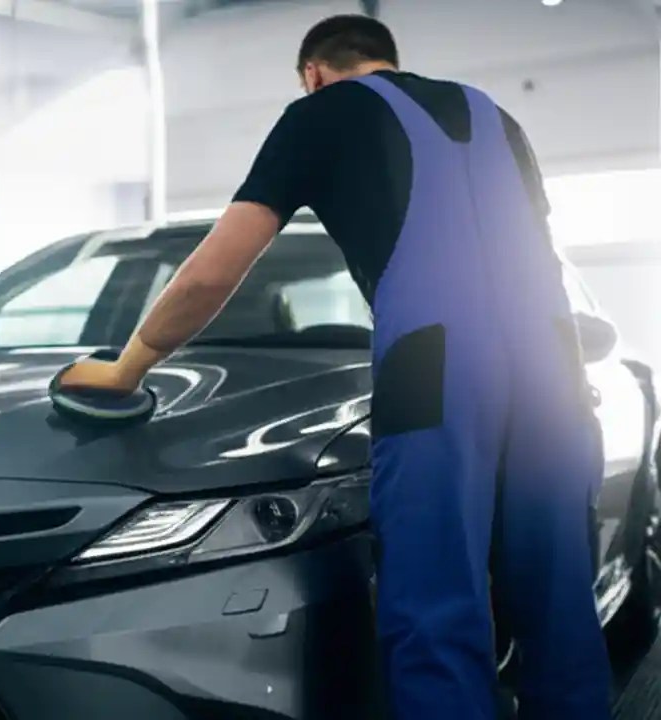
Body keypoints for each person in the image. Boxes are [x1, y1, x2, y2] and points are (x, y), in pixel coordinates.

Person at [58, 13, 611, 720]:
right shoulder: (494, 115)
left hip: (435, 369)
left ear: (313, 74)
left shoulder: (319, 115)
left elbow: (211, 273)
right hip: (556, 370)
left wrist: (127, 368)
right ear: (388, 58)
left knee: (437, 604)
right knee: (560, 602)